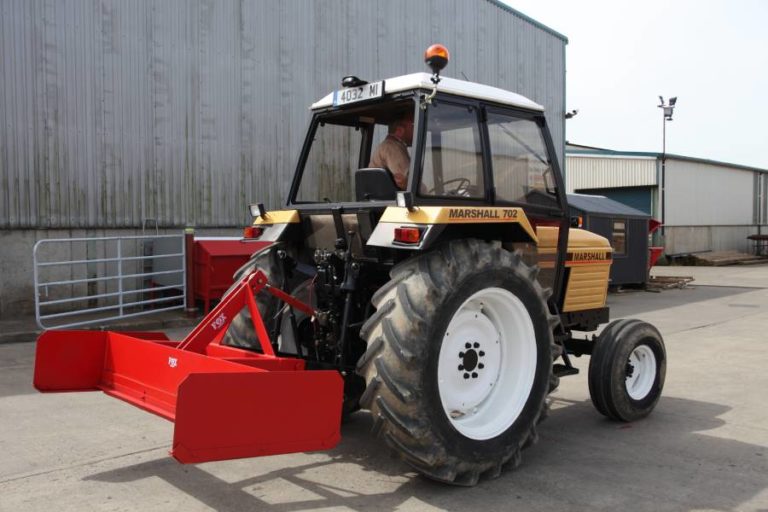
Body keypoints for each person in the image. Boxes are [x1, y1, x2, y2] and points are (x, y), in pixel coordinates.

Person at [369, 113, 414, 190]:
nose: (415, 130)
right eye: (413, 126)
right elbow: (403, 180)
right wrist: (426, 192)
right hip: (391, 200)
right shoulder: (392, 147)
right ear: (400, 130)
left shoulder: (388, 146)